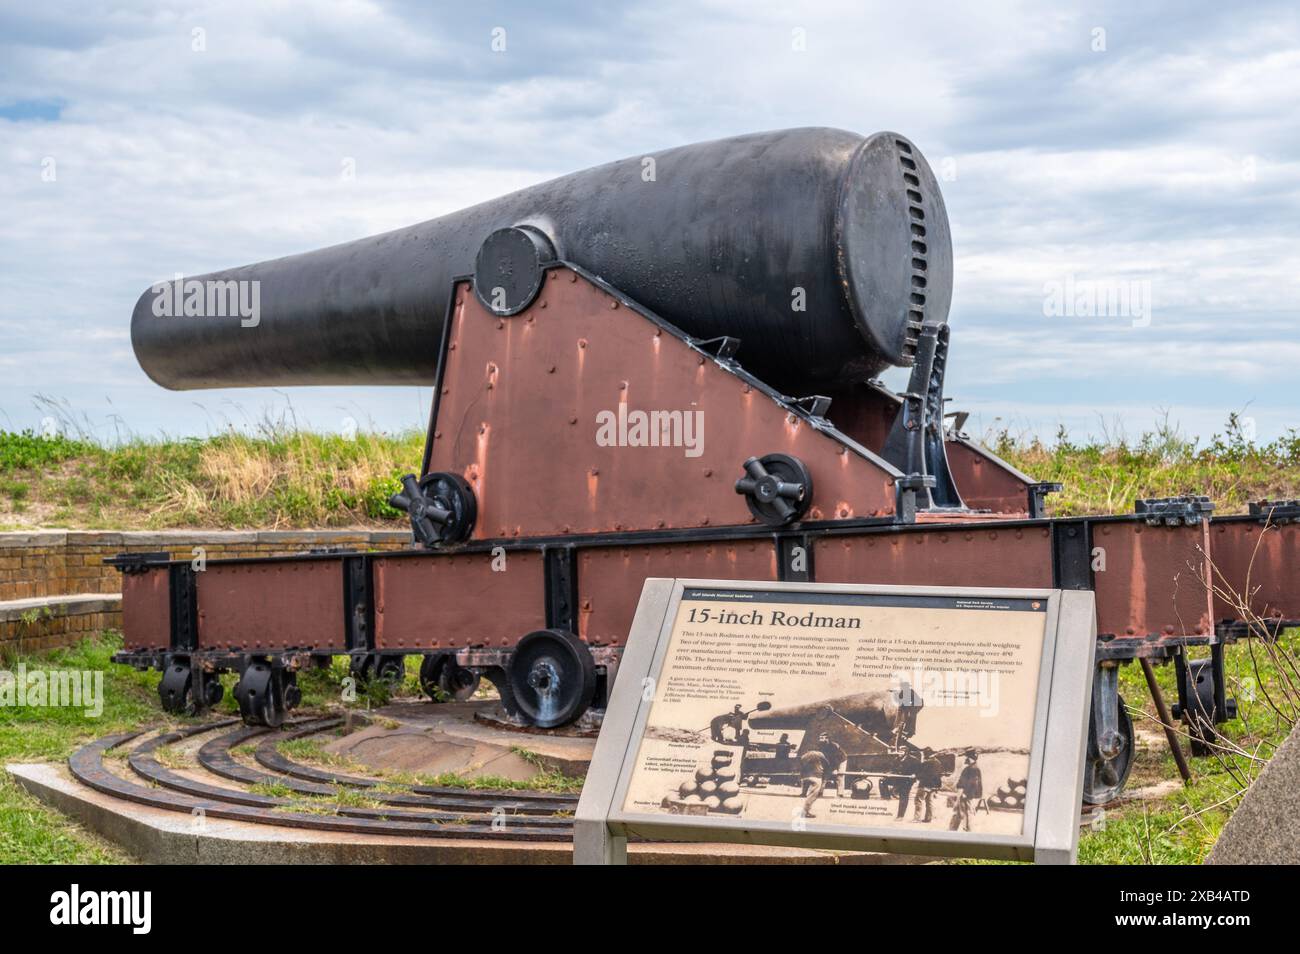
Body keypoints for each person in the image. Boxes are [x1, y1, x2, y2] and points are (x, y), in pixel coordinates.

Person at [799, 732, 845, 818]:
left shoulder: (834, 746)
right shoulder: (820, 746)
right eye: (819, 737)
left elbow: (835, 758)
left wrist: (833, 769)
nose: (820, 739)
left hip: (840, 759)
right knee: (822, 778)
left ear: (827, 738)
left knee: (840, 776)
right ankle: (819, 793)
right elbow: (825, 760)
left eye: (822, 737)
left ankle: (840, 794)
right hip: (827, 761)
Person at [949, 749, 983, 832]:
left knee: (966, 812)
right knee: (958, 811)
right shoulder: (972, 768)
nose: (965, 759)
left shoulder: (973, 769)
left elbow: (974, 784)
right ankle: (952, 829)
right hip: (964, 793)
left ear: (971, 758)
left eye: (967, 757)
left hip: (965, 794)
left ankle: (968, 831)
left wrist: (966, 794)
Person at [912, 747, 943, 823]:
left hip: (925, 785)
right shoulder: (938, 762)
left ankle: (916, 818)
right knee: (929, 802)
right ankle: (928, 818)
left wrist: (915, 776)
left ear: (926, 754)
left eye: (923, 754)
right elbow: (939, 774)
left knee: (918, 800)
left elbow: (921, 773)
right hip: (934, 786)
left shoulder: (926, 763)